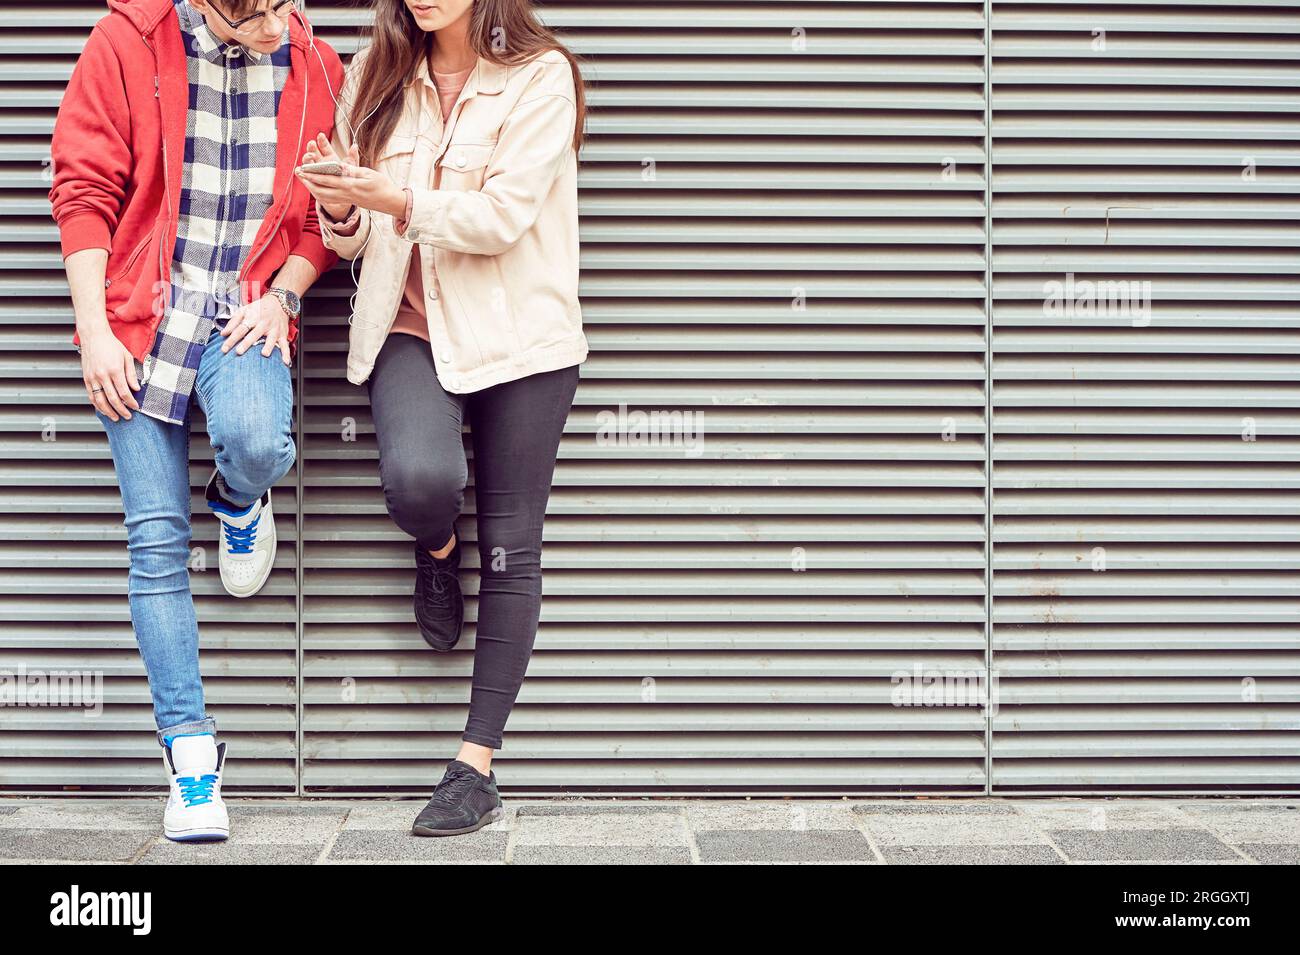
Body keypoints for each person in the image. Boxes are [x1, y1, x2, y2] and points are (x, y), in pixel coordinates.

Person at [49, 0, 343, 841]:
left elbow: (321, 220)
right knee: (154, 540)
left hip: (240, 315)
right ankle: (190, 759)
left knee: (258, 442)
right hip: (138, 322)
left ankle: (238, 495)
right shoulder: (130, 39)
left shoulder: (313, 65)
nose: (267, 12)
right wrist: (95, 331)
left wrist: (285, 292)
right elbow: (82, 185)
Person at [297, 0, 586, 836]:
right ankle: (436, 547)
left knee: (512, 542)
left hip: (521, 336)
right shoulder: (374, 74)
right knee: (421, 481)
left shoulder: (542, 77)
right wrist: (343, 205)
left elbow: (501, 218)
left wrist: (396, 197)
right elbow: (347, 239)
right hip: (410, 323)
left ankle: (475, 764)